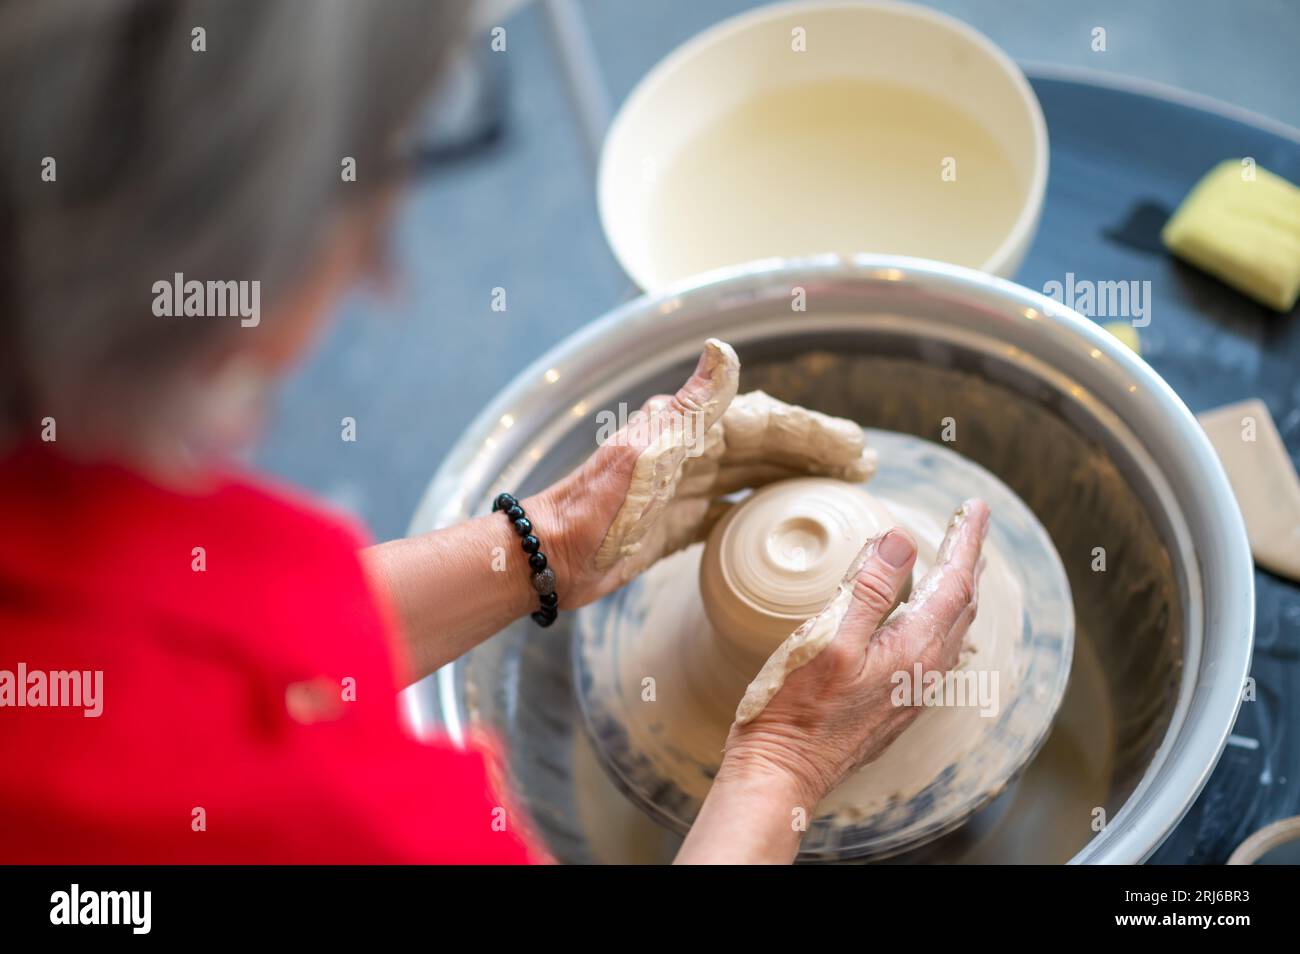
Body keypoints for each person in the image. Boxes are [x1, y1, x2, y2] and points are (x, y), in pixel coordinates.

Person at [0, 0, 986, 865]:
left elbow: (169, 668)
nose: (384, 274)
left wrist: (551, 539)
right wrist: (786, 764)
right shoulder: (332, 820)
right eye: (381, 173)